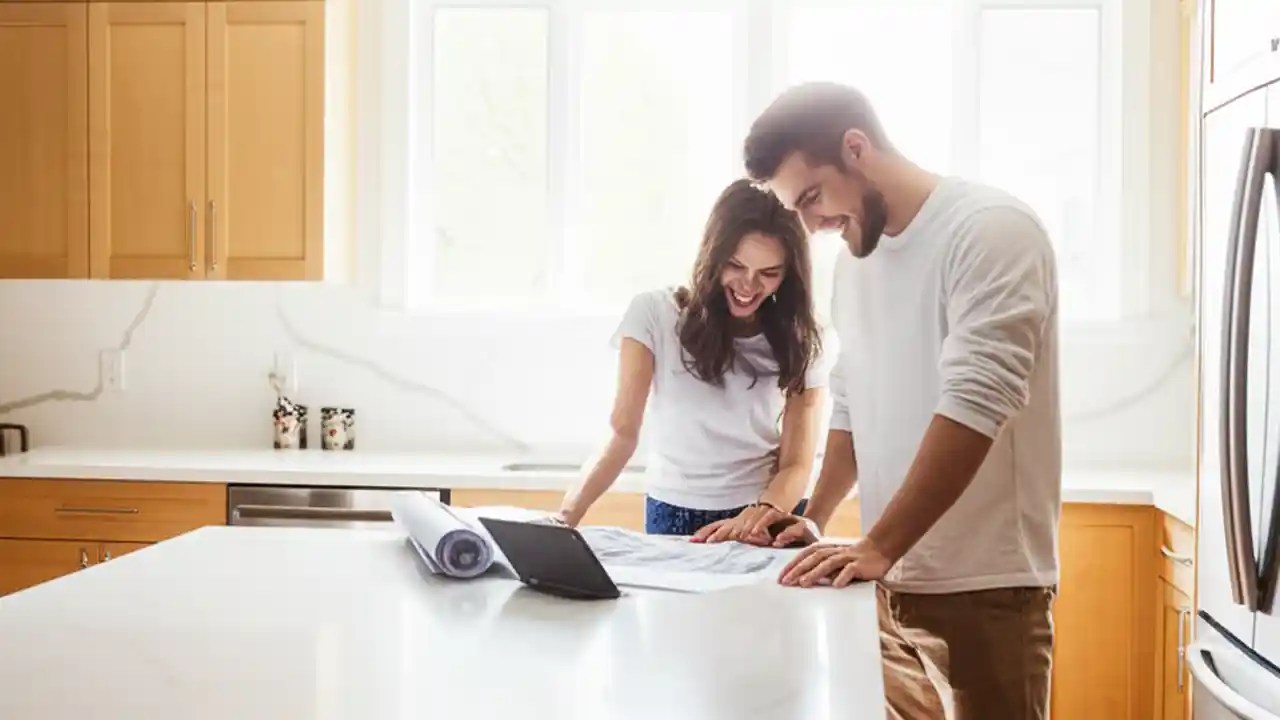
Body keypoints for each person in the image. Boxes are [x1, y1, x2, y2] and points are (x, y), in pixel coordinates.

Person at [738, 82, 1061, 720]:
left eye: (811, 197)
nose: (811, 225)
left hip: (987, 588)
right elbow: (855, 399)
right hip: (886, 587)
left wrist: (881, 543)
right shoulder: (857, 264)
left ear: (856, 149)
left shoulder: (991, 231)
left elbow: (977, 399)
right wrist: (818, 517)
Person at [556, 178, 827, 539]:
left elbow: (796, 464)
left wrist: (759, 515)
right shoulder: (654, 314)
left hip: (764, 512)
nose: (748, 285)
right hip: (672, 510)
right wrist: (563, 519)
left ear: (789, 276)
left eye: (768, 274)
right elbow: (621, 434)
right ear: (712, 255)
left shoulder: (806, 338)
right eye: (735, 265)